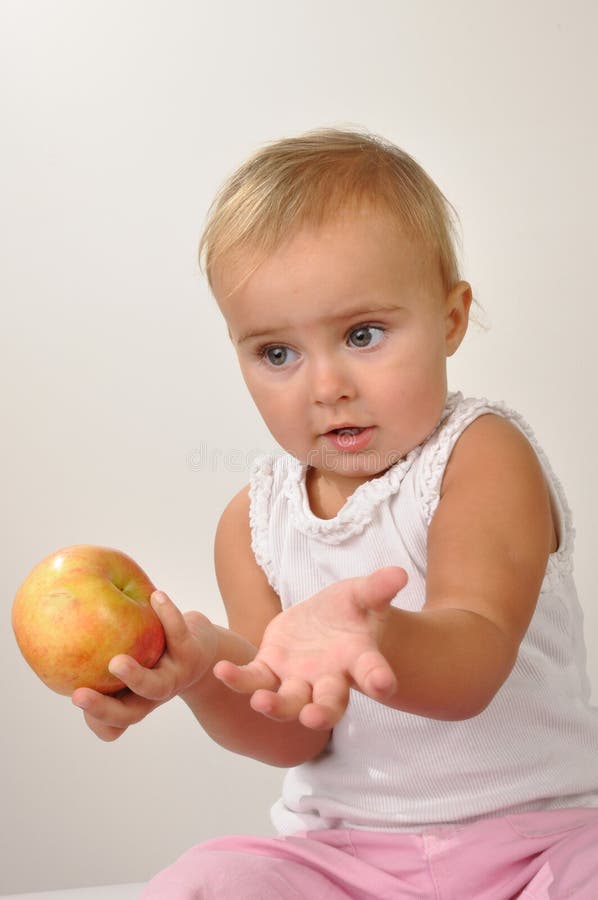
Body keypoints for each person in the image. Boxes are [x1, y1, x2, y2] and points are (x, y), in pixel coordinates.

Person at [72, 128, 598, 898]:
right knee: (208, 880)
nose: (326, 387)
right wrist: (202, 670)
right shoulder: (253, 525)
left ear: (451, 317)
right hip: (348, 860)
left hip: (534, 843)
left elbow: (474, 662)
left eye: (362, 334)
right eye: (276, 353)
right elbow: (290, 729)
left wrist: (373, 632)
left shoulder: (480, 456)